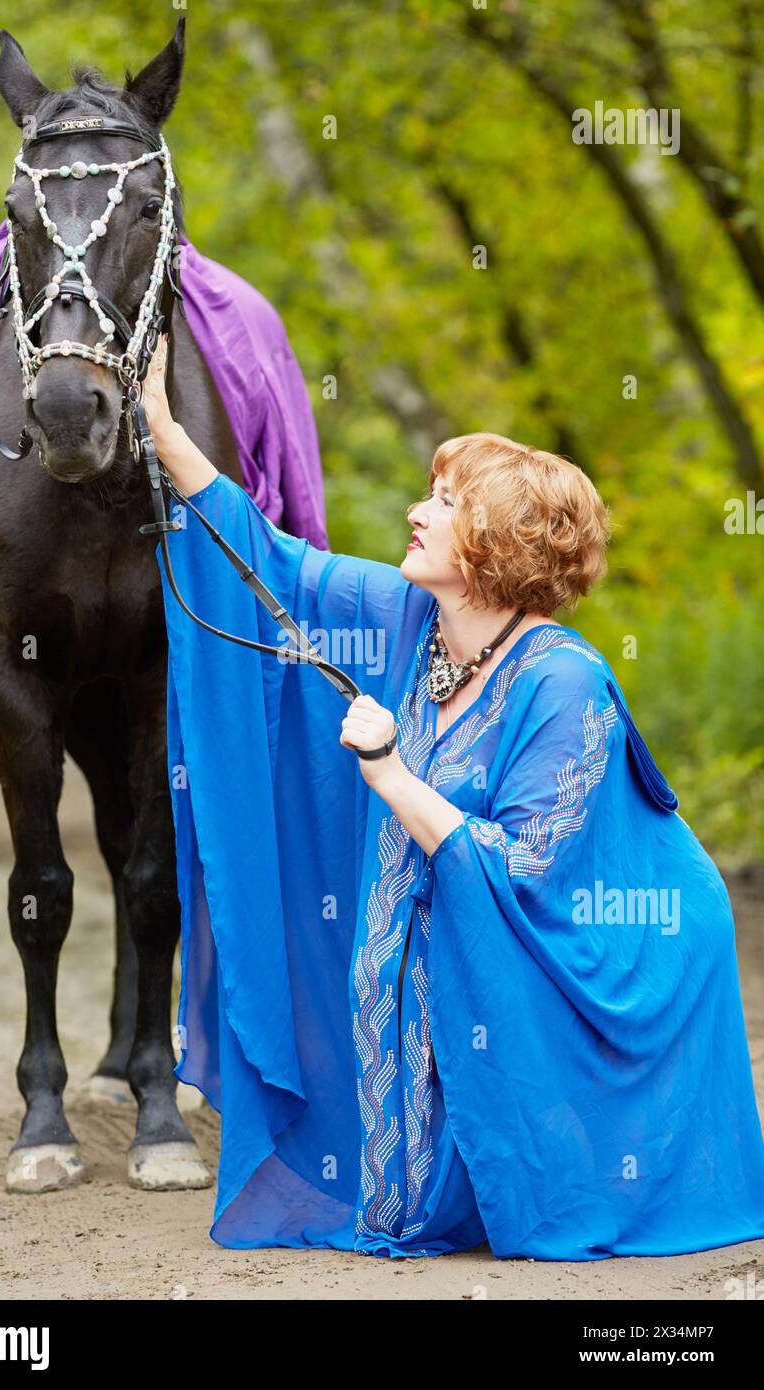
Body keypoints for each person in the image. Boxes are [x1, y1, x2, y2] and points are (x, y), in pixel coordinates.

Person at [139, 334, 764, 1261]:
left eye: (443, 501)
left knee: (555, 1189)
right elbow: (269, 560)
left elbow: (522, 872)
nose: (415, 511)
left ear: (499, 542)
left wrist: (391, 774)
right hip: (501, 925)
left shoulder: (563, 679)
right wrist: (157, 425)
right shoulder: (406, 617)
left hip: (619, 943)